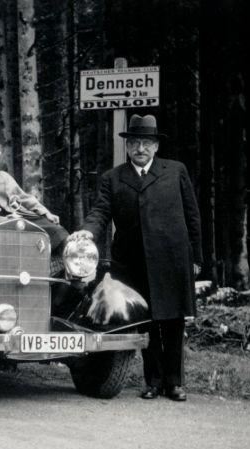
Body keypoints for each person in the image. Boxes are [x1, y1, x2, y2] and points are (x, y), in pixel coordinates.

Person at [68, 114, 202, 402]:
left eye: (147, 143)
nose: (141, 149)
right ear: (127, 147)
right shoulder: (113, 177)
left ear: (156, 146)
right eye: (135, 143)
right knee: (145, 322)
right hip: (132, 262)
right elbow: (101, 212)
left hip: (172, 259)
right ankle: (153, 382)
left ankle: (175, 383)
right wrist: (88, 232)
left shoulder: (175, 171)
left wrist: (197, 258)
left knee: (174, 323)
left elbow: (192, 216)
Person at [0, 141, 69, 255]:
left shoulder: (4, 177)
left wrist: (46, 212)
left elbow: (24, 198)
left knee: (53, 229)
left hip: (15, 216)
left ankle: (68, 255)